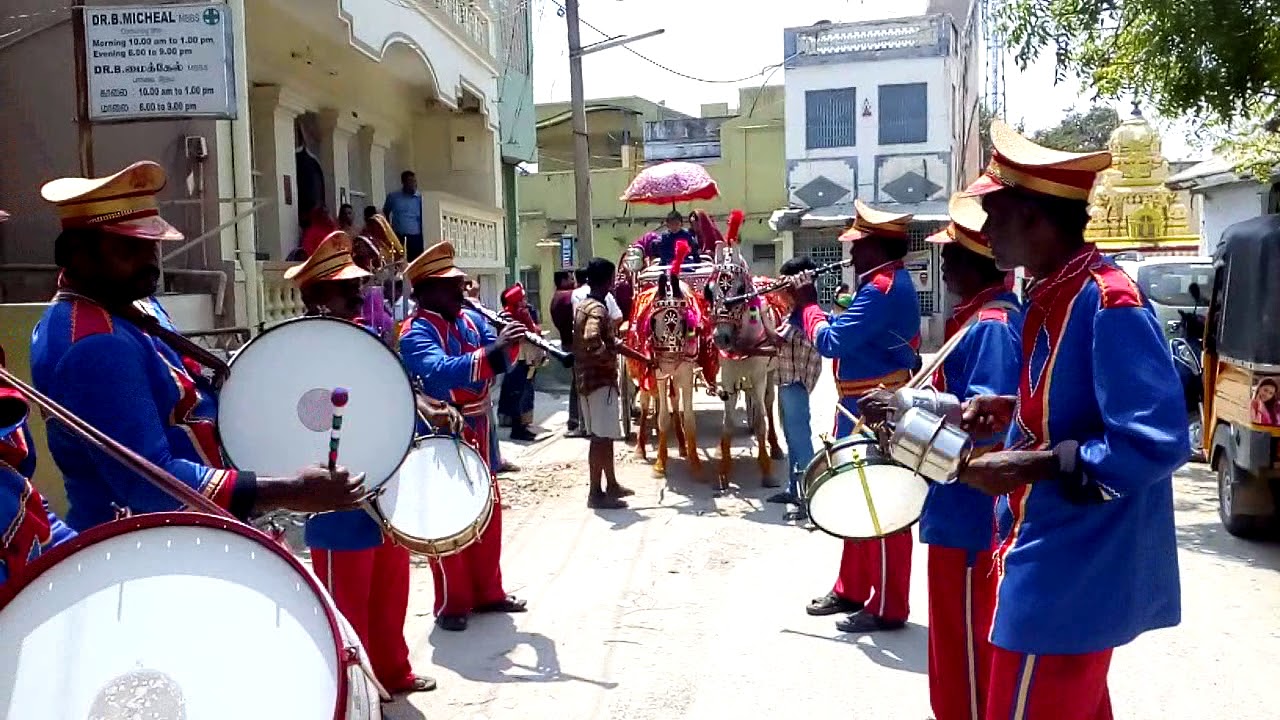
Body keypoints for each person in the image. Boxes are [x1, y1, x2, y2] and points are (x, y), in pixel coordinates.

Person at [953, 120, 1184, 720]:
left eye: (995, 216)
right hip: (1047, 539)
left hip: (1077, 556)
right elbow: (1070, 406)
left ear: (1035, 219)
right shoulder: (1052, 291)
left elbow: (1153, 443)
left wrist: (1027, 463)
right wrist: (1007, 412)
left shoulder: (1107, 299)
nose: (985, 232)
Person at [31, 161, 364, 531]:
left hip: (187, 528)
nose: (149, 260)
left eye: (152, 244)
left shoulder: (128, 304)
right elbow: (151, 481)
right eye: (128, 247)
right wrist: (291, 490)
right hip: (151, 545)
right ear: (76, 254)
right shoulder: (94, 344)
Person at [861, 204, 1023, 720]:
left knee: (967, 652)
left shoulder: (993, 325)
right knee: (954, 648)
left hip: (971, 517)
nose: (944, 266)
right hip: (954, 511)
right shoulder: (976, 318)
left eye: (952, 254)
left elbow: (987, 421)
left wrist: (906, 409)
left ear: (979, 259)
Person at [284, 231, 437, 695]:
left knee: (390, 589)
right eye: (345, 287)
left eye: (357, 284)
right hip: (337, 491)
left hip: (383, 481)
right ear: (315, 296)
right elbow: (304, 416)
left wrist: (417, 404)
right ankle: (359, 690)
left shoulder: (364, 338)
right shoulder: (299, 350)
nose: (358, 292)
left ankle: (393, 671)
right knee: (346, 600)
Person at [791, 198, 921, 634]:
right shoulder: (879, 285)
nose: (850, 253)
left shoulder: (882, 288)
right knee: (856, 500)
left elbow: (830, 342)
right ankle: (852, 587)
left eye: (857, 245)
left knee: (883, 506)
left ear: (876, 248)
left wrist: (807, 304)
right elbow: (852, 335)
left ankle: (887, 605)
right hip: (856, 408)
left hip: (875, 411)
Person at [398, 241, 528, 631]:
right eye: (452, 285)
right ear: (425, 292)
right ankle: (453, 602)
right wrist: (493, 351)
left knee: (487, 511)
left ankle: (489, 591)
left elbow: (499, 360)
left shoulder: (469, 322)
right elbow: (440, 371)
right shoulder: (414, 331)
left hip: (480, 427)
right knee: (448, 517)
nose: (463, 290)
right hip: (443, 434)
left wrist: (515, 335)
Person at [573, 257, 634, 509]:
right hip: (600, 384)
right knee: (600, 438)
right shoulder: (598, 310)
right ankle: (596, 494)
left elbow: (612, 343)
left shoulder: (584, 305)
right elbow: (592, 339)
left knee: (604, 437)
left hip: (587, 382)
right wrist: (607, 360)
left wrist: (641, 357)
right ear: (609, 281)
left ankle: (611, 484)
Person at [767, 256, 822, 521]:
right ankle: (793, 489)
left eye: (783, 285)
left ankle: (810, 500)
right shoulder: (794, 311)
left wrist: (758, 313)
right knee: (790, 438)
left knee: (800, 442)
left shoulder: (802, 312)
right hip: (786, 380)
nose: (778, 292)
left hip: (795, 383)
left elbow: (777, 339)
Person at [497, 283, 545, 442]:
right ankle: (517, 429)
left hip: (522, 357)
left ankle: (521, 426)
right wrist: (526, 318)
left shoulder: (514, 314)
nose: (525, 300)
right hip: (518, 358)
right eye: (522, 298)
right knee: (517, 393)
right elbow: (532, 331)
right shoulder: (511, 315)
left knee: (521, 392)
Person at [548, 270, 584, 436]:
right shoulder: (568, 296)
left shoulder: (556, 297)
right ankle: (576, 420)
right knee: (579, 384)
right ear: (562, 280)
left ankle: (576, 419)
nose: (573, 281)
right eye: (570, 278)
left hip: (567, 343)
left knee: (576, 383)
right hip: (575, 344)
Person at [383, 171, 424, 259]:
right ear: (403, 182)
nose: (413, 184)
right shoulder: (393, 197)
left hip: (415, 237)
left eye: (414, 181)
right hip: (398, 236)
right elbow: (386, 211)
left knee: (415, 261)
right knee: (399, 260)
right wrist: (389, 229)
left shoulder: (420, 198)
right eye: (410, 181)